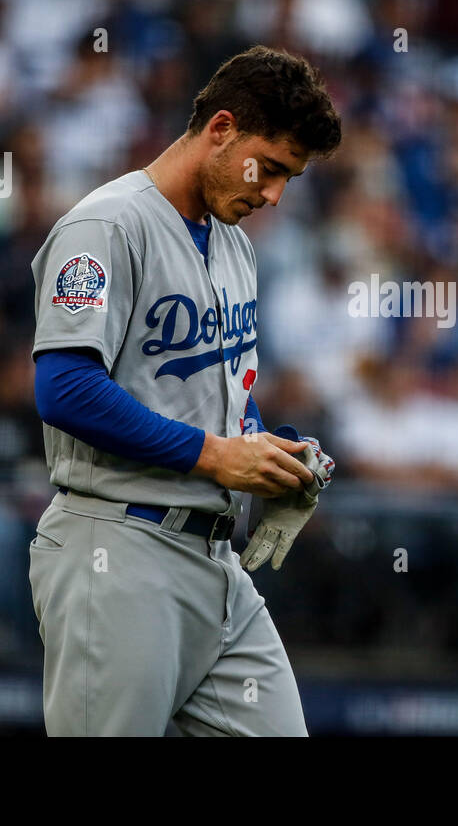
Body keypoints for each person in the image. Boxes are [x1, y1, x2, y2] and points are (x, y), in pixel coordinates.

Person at [28, 46, 340, 735]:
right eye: (274, 168)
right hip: (117, 548)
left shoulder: (234, 243)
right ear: (222, 128)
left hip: (218, 564)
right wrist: (213, 457)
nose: (273, 195)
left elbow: (226, 396)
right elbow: (65, 388)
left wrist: (271, 458)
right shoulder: (106, 225)